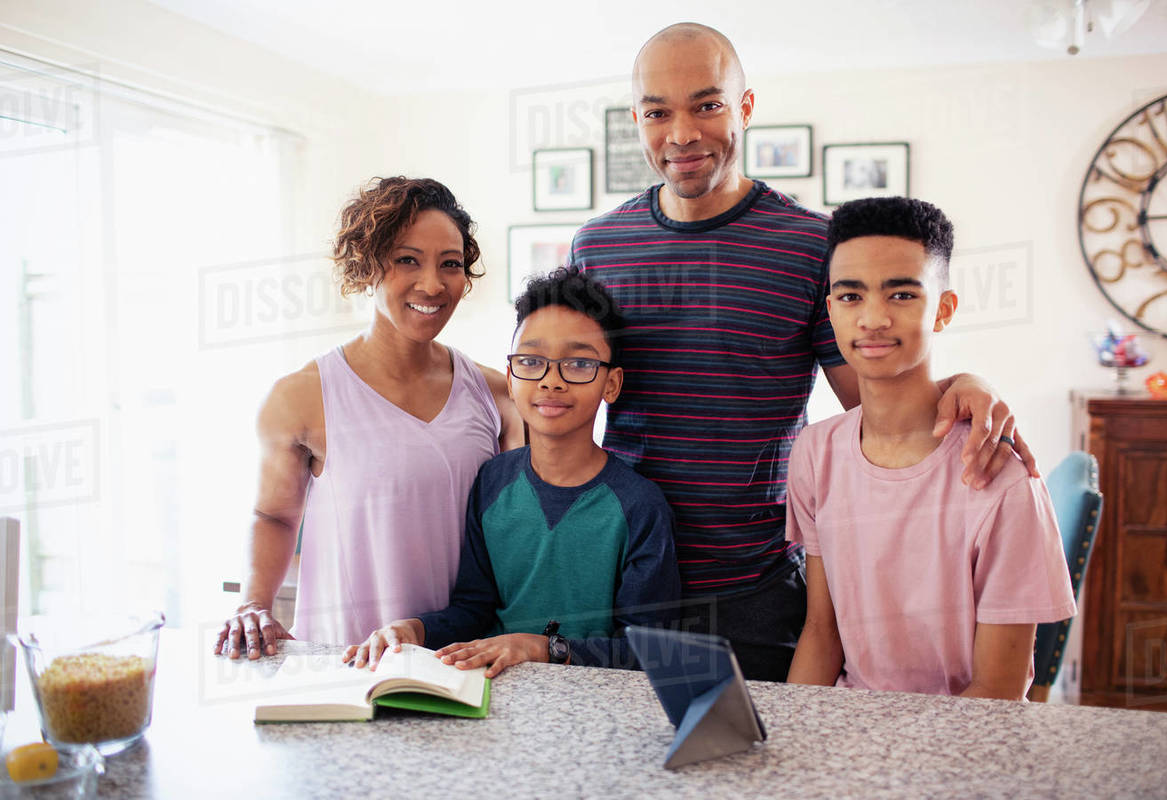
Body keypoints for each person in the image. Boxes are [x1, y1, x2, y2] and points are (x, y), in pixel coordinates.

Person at [570, 22, 1039, 681]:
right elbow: (553, 396)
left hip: (754, 593)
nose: (681, 134)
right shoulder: (597, 247)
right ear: (636, 120)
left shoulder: (810, 246)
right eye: (658, 112)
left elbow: (879, 409)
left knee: (754, 777)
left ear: (746, 107)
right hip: (620, 579)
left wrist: (966, 381)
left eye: (707, 105)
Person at [214, 176, 523, 659]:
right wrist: (254, 604)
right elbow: (273, 515)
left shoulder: (497, 393)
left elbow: (517, 532)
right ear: (366, 266)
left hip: (461, 661)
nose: (433, 284)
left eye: (451, 264)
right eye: (407, 260)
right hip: (346, 662)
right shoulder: (300, 397)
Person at [785, 197, 1075, 699]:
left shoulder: (1000, 478)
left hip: (960, 747)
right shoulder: (815, 452)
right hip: (846, 739)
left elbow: (997, 691)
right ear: (830, 310)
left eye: (900, 295)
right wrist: (788, 742)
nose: (873, 319)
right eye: (851, 297)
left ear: (942, 310)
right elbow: (822, 633)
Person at [344, 266, 680, 677]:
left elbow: (648, 650)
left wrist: (543, 648)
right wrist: (414, 628)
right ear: (510, 375)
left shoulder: (640, 506)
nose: (551, 381)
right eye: (531, 361)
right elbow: (472, 609)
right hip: (492, 695)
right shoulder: (492, 482)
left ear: (611, 384)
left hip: (596, 709)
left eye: (577, 364)